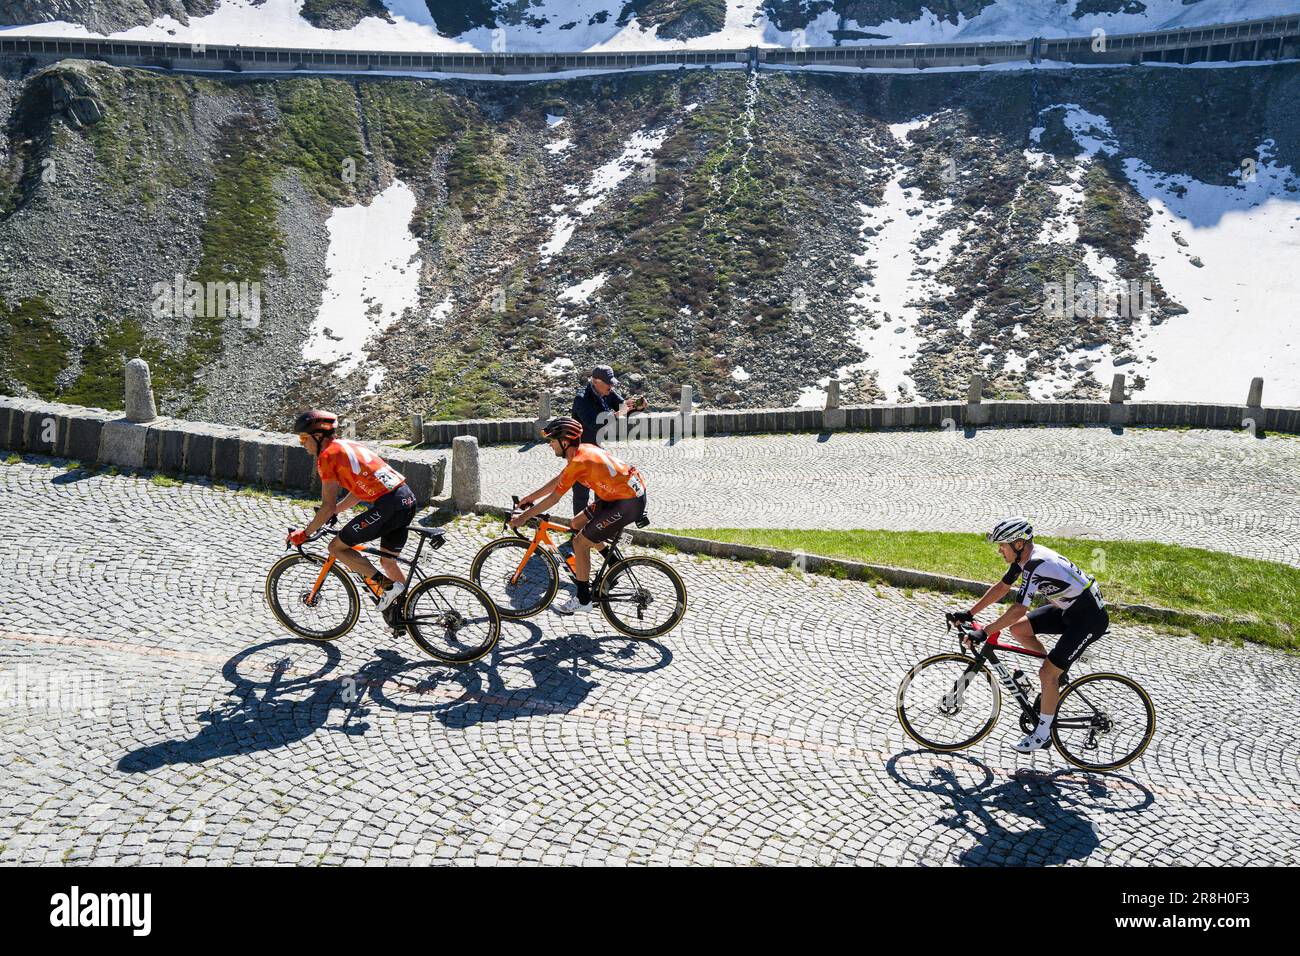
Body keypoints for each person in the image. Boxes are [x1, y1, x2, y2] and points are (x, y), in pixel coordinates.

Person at [959, 517, 1109, 754]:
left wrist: (985, 631)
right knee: (1019, 629)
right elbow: (1002, 587)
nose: (999, 550)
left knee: (1046, 673)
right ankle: (1055, 677)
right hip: (1068, 609)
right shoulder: (1026, 558)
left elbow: (1019, 608)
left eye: (1002, 545)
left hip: (1088, 618)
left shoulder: (1035, 563)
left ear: (1018, 544)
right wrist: (969, 613)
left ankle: (1042, 733)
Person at [510, 416, 647, 615]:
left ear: (565, 442)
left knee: (580, 543)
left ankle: (583, 599)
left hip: (627, 503)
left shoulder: (579, 461)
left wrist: (523, 517)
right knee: (576, 523)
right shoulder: (582, 451)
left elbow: (553, 499)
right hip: (620, 496)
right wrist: (529, 498)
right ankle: (614, 565)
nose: (550, 445)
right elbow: (560, 479)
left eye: (552, 440)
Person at [287, 409, 415, 614]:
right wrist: (337, 511)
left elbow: (326, 506)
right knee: (387, 561)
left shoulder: (327, 457)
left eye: (303, 438)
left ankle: (388, 587)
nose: (302, 443)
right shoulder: (348, 445)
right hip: (406, 499)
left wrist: (305, 533)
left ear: (318, 437)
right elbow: (357, 492)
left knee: (336, 548)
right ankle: (404, 610)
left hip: (388, 506)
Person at [568, 365, 646, 516]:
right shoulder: (581, 398)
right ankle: (577, 530)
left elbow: (622, 407)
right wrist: (617, 414)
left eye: (612, 382)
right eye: (608, 383)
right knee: (581, 493)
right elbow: (594, 424)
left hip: (596, 449)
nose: (612, 386)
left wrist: (637, 407)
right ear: (596, 381)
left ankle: (598, 525)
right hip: (579, 451)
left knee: (602, 488)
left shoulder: (607, 391)